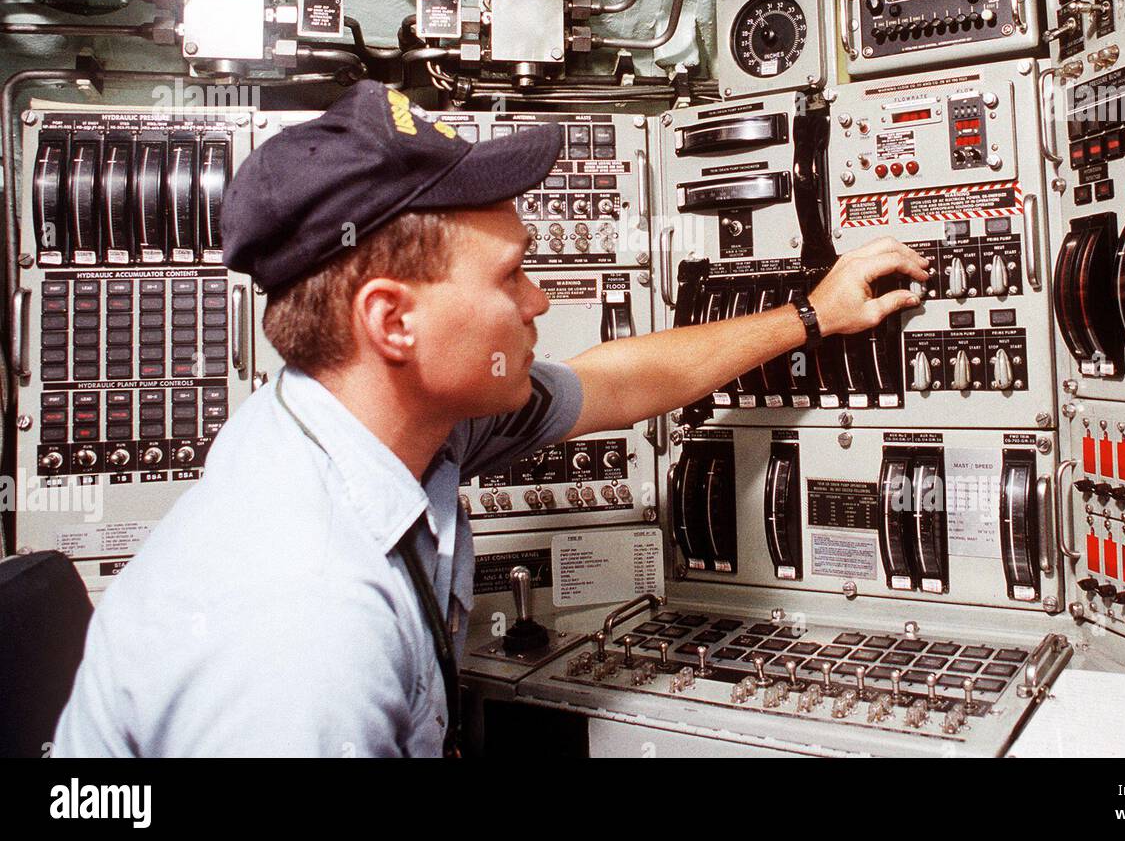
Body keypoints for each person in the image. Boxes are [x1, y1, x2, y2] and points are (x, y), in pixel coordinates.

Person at [54, 80, 928, 757]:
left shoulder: (379, 421)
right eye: (509, 276)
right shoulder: (304, 628)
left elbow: (615, 382)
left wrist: (811, 316)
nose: (538, 297)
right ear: (393, 321)